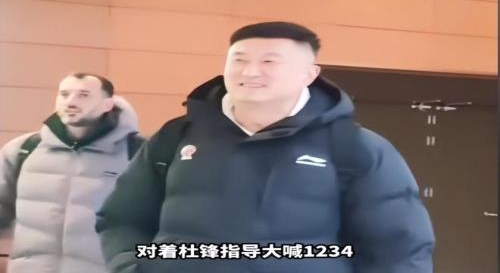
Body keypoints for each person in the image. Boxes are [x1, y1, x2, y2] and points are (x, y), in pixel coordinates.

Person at [96, 22, 435, 273]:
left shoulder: (354, 146)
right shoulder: (176, 137)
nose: (250, 72)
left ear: (309, 74)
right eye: (239, 60)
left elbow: (399, 247)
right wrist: (131, 266)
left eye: (270, 62)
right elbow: (122, 217)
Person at [0, 72, 144, 273]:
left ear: (107, 105)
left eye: (83, 95)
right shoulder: (24, 149)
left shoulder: (139, 153)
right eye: (64, 94)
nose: (71, 102)